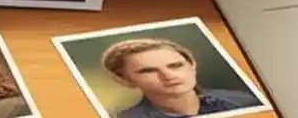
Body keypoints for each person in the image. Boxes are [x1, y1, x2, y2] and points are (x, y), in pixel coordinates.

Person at [102, 38, 261, 118]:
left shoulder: (243, 102)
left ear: (192, 66)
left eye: (175, 66)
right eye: (148, 71)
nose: (168, 76)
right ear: (124, 80)